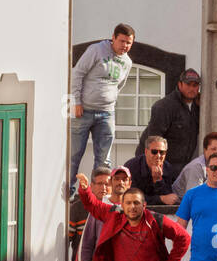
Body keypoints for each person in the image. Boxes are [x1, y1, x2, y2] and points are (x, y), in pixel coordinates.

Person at [68, 24, 135, 192]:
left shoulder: (127, 62)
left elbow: (119, 85)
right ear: (113, 38)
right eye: (121, 41)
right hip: (83, 111)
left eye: (129, 43)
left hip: (106, 113)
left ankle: (101, 195)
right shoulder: (97, 50)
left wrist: (108, 100)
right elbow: (77, 73)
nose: (124, 46)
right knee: (74, 155)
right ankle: (68, 190)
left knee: (104, 159)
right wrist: (76, 101)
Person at [135, 68, 201, 169]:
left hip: (183, 166)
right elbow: (154, 139)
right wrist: (155, 166)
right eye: (188, 84)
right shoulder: (164, 106)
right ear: (180, 85)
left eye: (195, 85)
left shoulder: (199, 106)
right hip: (160, 164)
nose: (191, 88)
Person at [123, 136, 180, 205]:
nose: (158, 155)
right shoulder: (131, 167)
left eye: (162, 152)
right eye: (154, 152)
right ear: (146, 152)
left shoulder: (168, 168)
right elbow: (132, 196)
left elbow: (169, 198)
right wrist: (160, 199)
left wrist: (158, 181)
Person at [172, 131, 217, 201]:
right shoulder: (196, 167)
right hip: (180, 206)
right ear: (205, 150)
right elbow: (195, 197)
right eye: (213, 149)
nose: (216, 152)